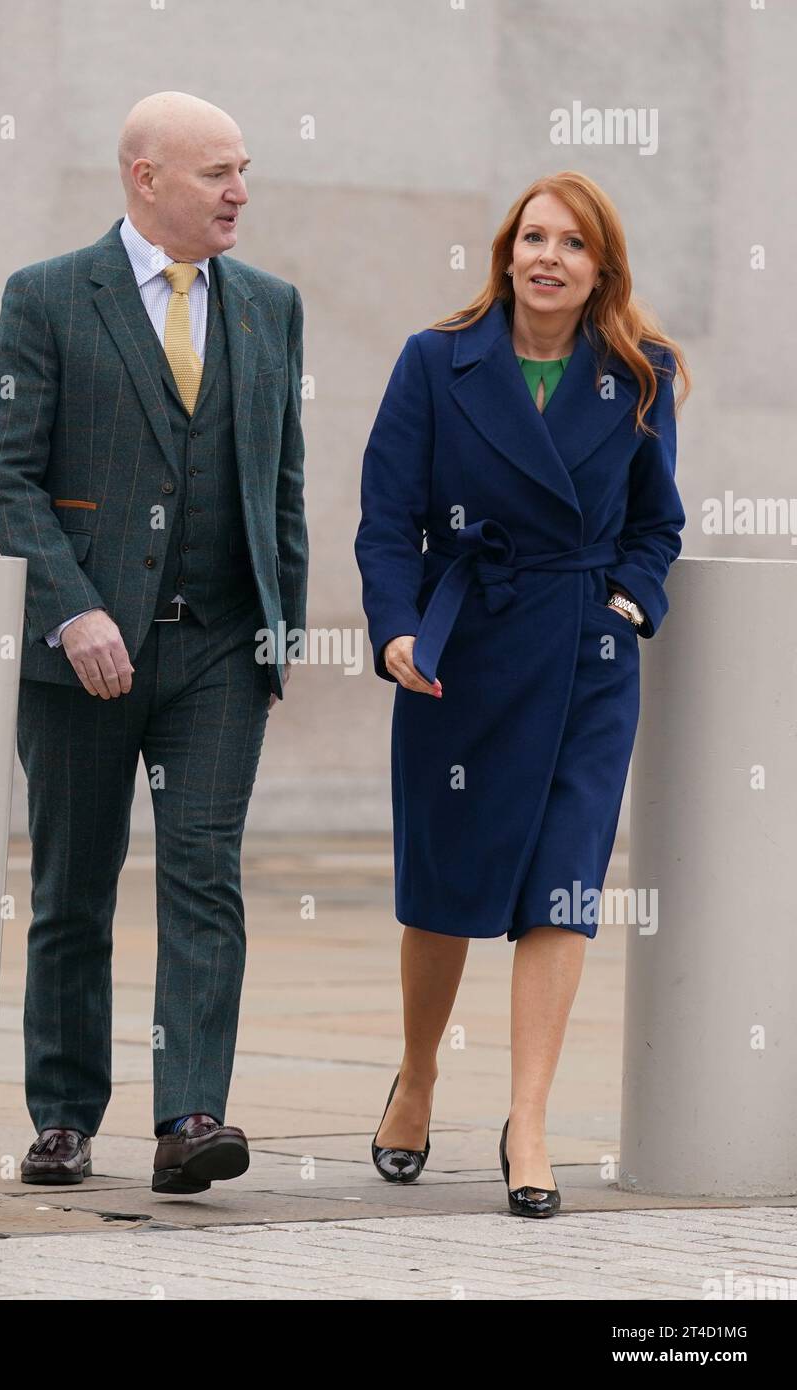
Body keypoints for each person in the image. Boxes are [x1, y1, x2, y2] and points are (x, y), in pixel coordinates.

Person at [0, 91, 307, 1195]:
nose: (239, 192)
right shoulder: (46, 296)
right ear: (145, 176)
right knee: (74, 885)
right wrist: (71, 610)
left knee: (206, 876)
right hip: (81, 653)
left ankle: (192, 1116)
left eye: (244, 170)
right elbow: (9, 477)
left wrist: (281, 629)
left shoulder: (269, 307)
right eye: (217, 172)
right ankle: (64, 1118)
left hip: (218, 647)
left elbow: (282, 481)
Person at [354, 170, 689, 1217]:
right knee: (445, 882)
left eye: (573, 244)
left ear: (601, 269)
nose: (548, 257)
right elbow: (386, 519)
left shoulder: (640, 372)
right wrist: (398, 628)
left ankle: (529, 1121)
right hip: (463, 652)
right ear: (506, 254)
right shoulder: (435, 360)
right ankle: (418, 1076)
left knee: (563, 886)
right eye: (533, 237)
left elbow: (656, 525)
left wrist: (627, 607)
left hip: (587, 662)